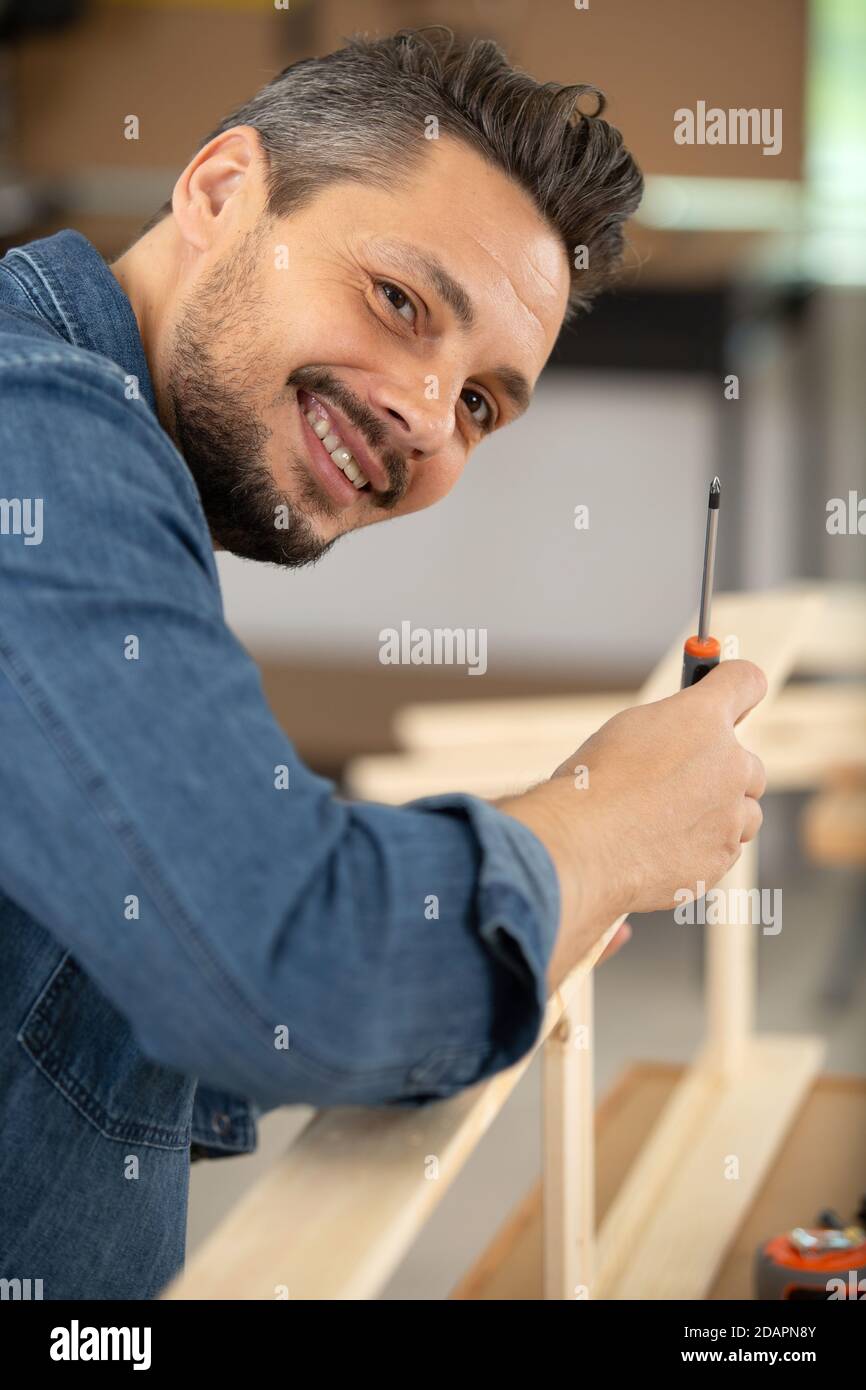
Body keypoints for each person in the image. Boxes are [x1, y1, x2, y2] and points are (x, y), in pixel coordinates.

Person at [0, 28, 766, 1299]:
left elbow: (111, 979)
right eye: (400, 301)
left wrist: (463, 902)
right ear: (219, 192)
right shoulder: (36, 431)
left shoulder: (105, 458)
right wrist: (592, 838)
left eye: (479, 403)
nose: (424, 416)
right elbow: (277, 965)